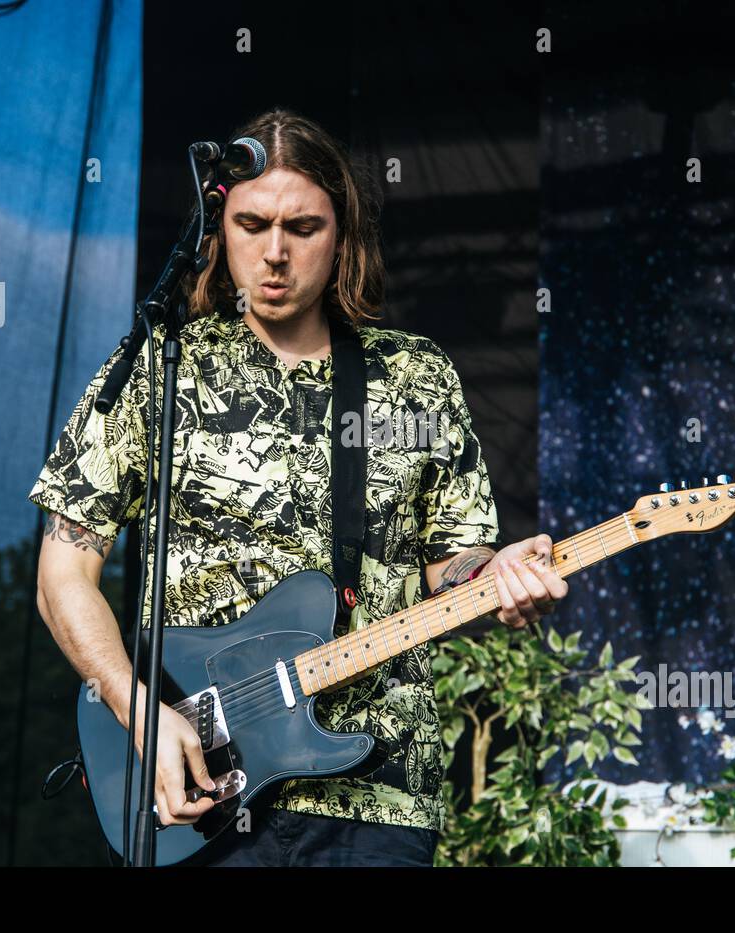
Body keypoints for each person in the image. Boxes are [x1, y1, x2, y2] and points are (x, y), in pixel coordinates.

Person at [29, 108, 568, 867]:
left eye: (303, 229)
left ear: (342, 235)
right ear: (219, 232)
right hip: (203, 792)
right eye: (251, 225)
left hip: (379, 796)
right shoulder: (159, 367)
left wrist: (497, 576)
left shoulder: (413, 376)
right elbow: (63, 575)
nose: (274, 254)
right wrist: (139, 710)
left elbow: (453, 562)